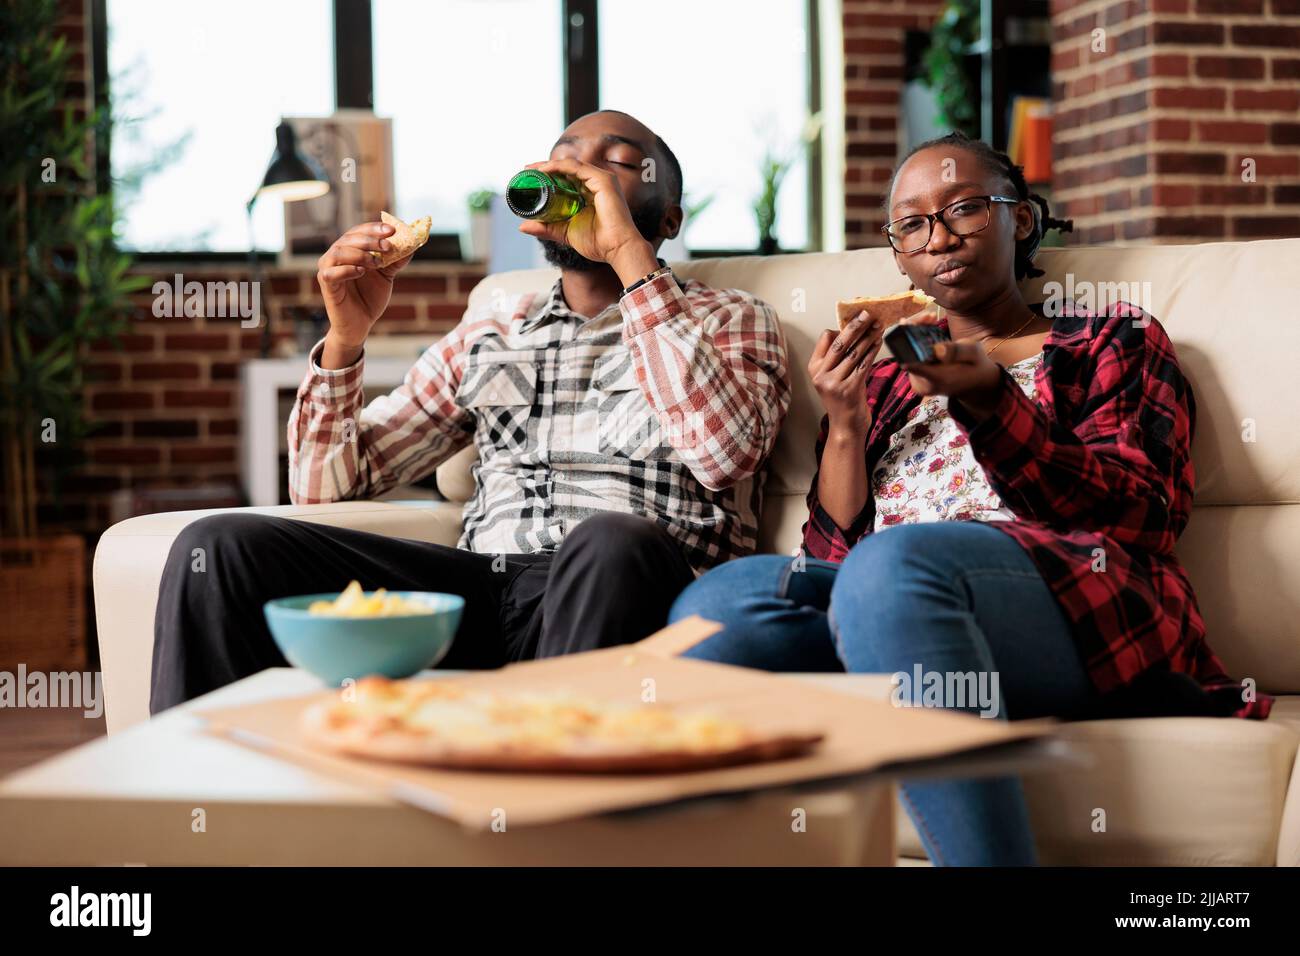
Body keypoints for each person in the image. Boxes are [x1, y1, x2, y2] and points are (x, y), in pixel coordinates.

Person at [669, 131, 1271, 866]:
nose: (941, 236)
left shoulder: (1108, 339)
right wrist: (847, 423)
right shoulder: (885, 382)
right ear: (899, 258)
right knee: (716, 609)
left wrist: (991, 400)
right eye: (913, 225)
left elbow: (1143, 514)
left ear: (1021, 219)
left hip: (1068, 607)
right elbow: (831, 561)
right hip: (890, 611)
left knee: (897, 568)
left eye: (965, 208)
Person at [149, 110, 789, 713]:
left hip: (624, 586)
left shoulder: (729, 319)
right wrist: (345, 340)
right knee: (222, 545)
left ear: (668, 218)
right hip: (483, 592)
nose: (580, 174)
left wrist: (630, 260)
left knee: (610, 540)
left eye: (615, 164)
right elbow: (320, 491)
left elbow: (723, 456)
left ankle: (550, 805)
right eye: (564, 160)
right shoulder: (494, 329)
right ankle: (205, 810)